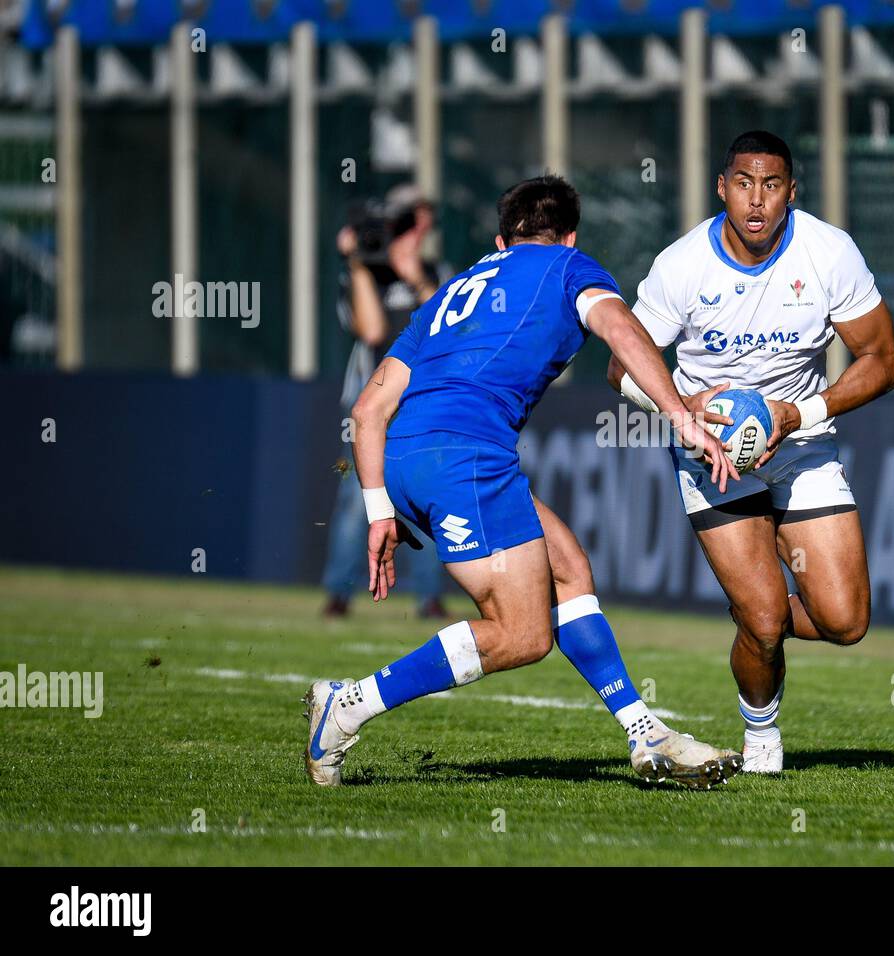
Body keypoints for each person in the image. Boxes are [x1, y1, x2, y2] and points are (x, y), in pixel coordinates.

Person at [304, 175, 743, 789]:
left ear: (499, 240)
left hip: (405, 454)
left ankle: (646, 735)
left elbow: (367, 412)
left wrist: (380, 510)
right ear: (569, 235)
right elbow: (620, 330)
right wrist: (681, 414)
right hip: (466, 457)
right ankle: (348, 706)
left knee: (567, 567)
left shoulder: (452, 290)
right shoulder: (568, 267)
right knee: (522, 633)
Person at [607, 131, 894, 773]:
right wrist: (683, 410)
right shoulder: (683, 264)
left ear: (792, 192)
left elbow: (883, 359)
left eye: (772, 185)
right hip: (711, 453)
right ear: (722, 187)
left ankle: (753, 605)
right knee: (767, 622)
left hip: (799, 447)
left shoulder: (829, 253)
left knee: (846, 621)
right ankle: (761, 732)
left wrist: (799, 413)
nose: (757, 200)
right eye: (744, 182)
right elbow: (621, 372)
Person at [321, 184, 448, 619]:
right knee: (356, 502)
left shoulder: (435, 272)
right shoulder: (362, 273)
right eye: (409, 222)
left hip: (422, 403)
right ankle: (338, 594)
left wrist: (415, 276)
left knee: (425, 500)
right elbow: (372, 331)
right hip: (374, 404)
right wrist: (359, 261)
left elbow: (444, 330)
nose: (416, 232)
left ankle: (429, 598)